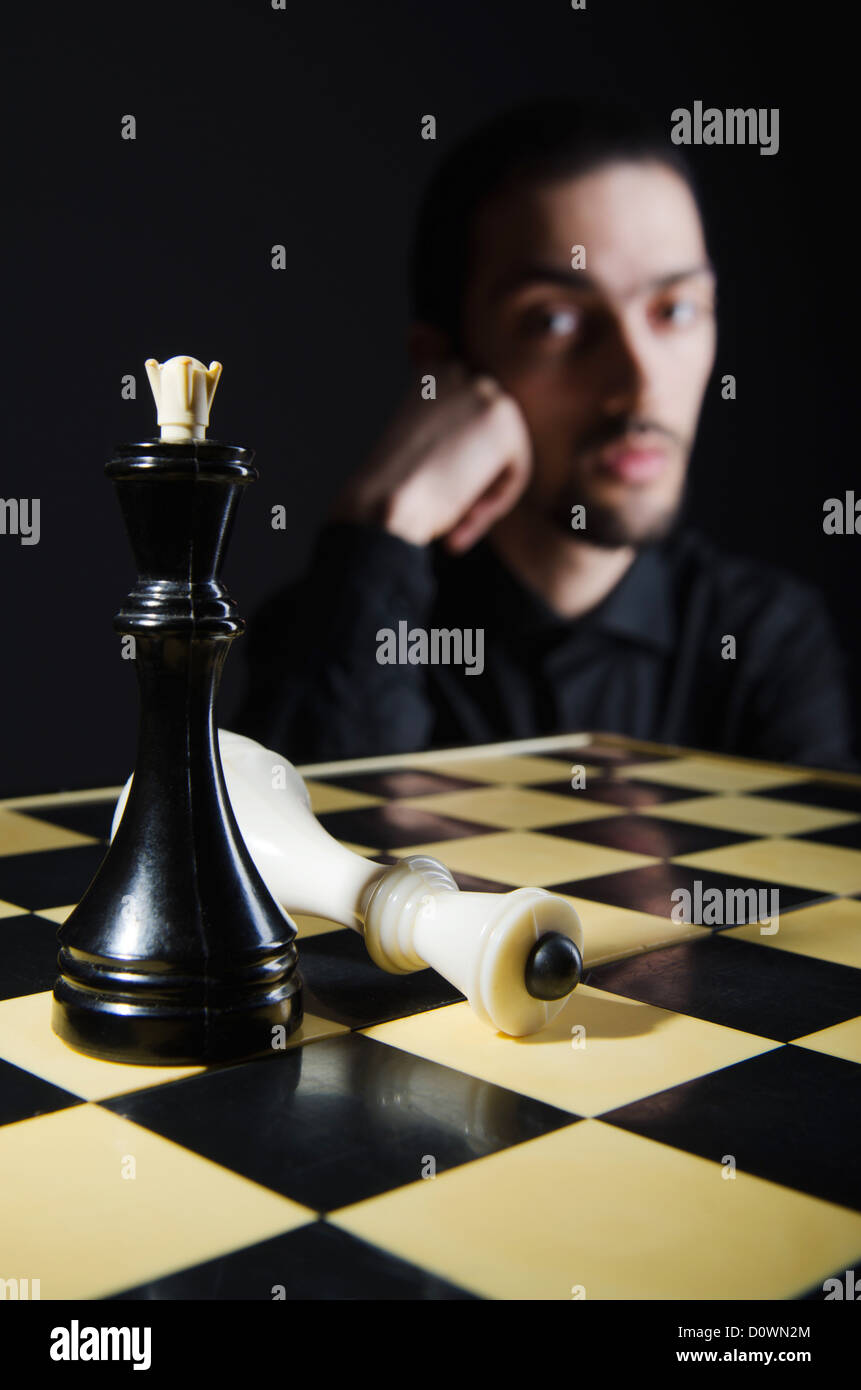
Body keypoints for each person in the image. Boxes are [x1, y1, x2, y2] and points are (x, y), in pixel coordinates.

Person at [235, 98, 857, 771]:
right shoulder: (335, 625)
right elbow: (288, 861)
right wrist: (383, 520)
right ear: (445, 368)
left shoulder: (765, 639)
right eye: (555, 322)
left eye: (675, 310)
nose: (639, 384)